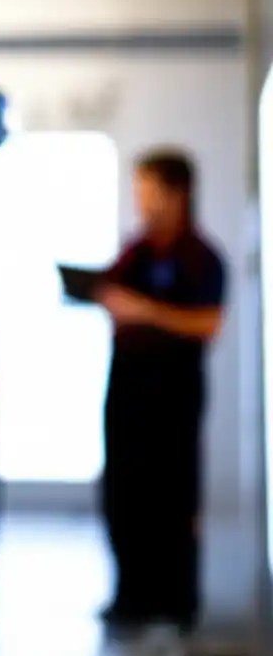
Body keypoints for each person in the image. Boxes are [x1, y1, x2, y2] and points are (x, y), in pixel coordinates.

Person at [98, 148, 225, 631]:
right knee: (124, 494)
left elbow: (209, 323)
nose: (143, 202)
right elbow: (109, 294)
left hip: (174, 393)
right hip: (126, 387)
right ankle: (131, 597)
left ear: (178, 194)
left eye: (149, 192)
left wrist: (147, 312)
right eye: (139, 192)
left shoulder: (201, 258)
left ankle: (176, 602)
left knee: (173, 495)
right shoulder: (137, 252)